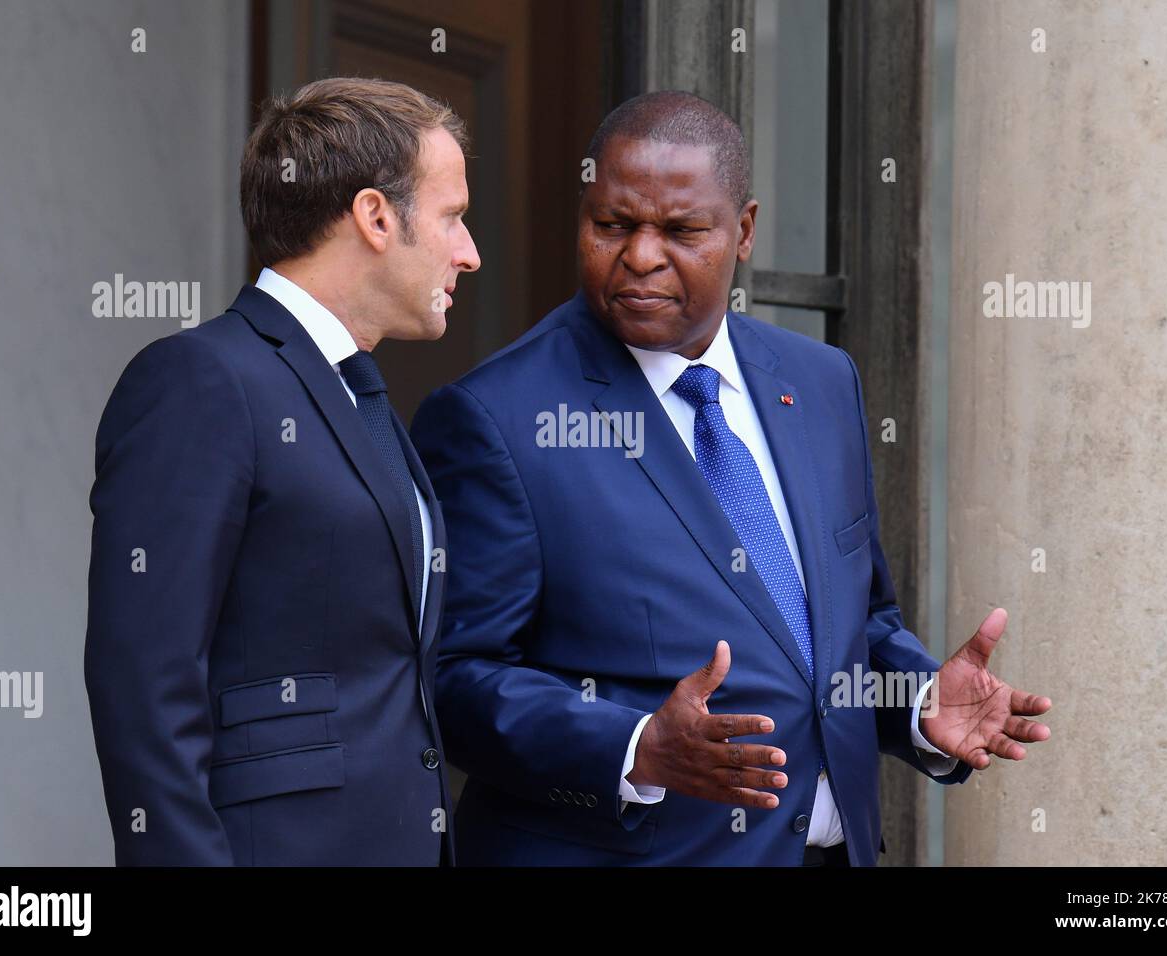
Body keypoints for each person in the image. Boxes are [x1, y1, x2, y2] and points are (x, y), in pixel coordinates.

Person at [411, 90, 1050, 866]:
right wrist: (637, 746)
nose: (641, 256)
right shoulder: (495, 417)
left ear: (743, 231)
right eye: (612, 224)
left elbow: (854, 625)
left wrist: (916, 701)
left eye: (681, 231)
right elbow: (454, 678)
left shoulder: (819, 381)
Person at [84, 77, 480, 865]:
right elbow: (144, 685)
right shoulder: (201, 381)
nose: (468, 254)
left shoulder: (360, 394)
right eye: (452, 218)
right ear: (374, 216)